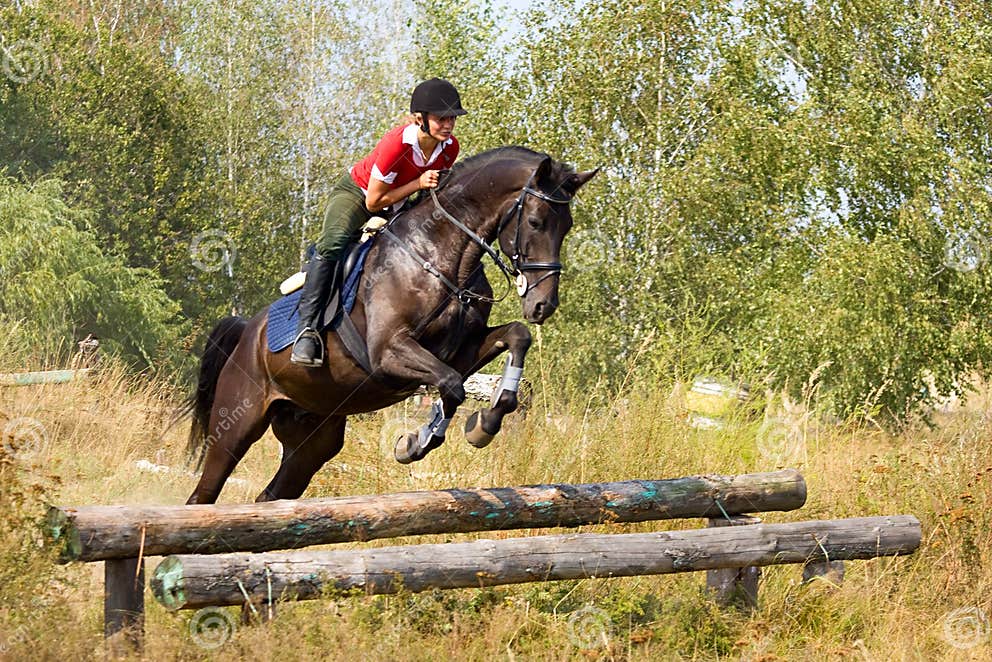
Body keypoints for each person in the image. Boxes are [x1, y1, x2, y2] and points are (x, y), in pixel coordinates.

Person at [291, 78, 467, 367]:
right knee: (334, 243)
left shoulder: (449, 148)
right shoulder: (395, 145)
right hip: (359, 195)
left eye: (452, 118)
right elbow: (374, 202)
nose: (448, 125)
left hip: (397, 203)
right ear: (419, 119)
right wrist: (418, 183)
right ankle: (306, 330)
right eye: (441, 119)